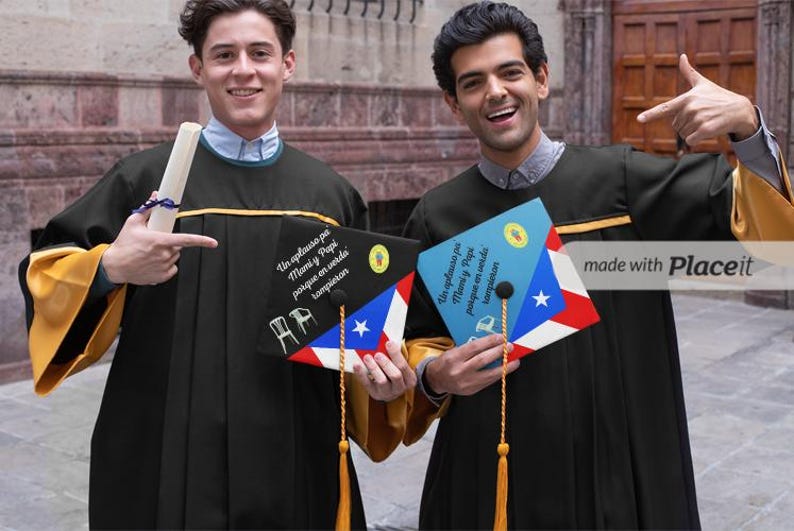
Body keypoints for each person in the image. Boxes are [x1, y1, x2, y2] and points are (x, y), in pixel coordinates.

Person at [18, 0, 416, 528]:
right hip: (168, 446)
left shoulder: (330, 196)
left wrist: (381, 383)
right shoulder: (146, 182)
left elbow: (361, 340)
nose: (243, 69)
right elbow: (45, 274)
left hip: (295, 442)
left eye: (260, 53)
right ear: (198, 69)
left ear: (288, 64)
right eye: (224, 54)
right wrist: (111, 266)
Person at [401, 2, 793, 529]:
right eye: (472, 82)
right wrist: (434, 374)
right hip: (488, 474)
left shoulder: (622, 182)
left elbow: (770, 243)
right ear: (454, 103)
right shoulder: (439, 216)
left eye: (510, 71)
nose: (494, 91)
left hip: (614, 469)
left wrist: (748, 130)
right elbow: (412, 340)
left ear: (541, 79)